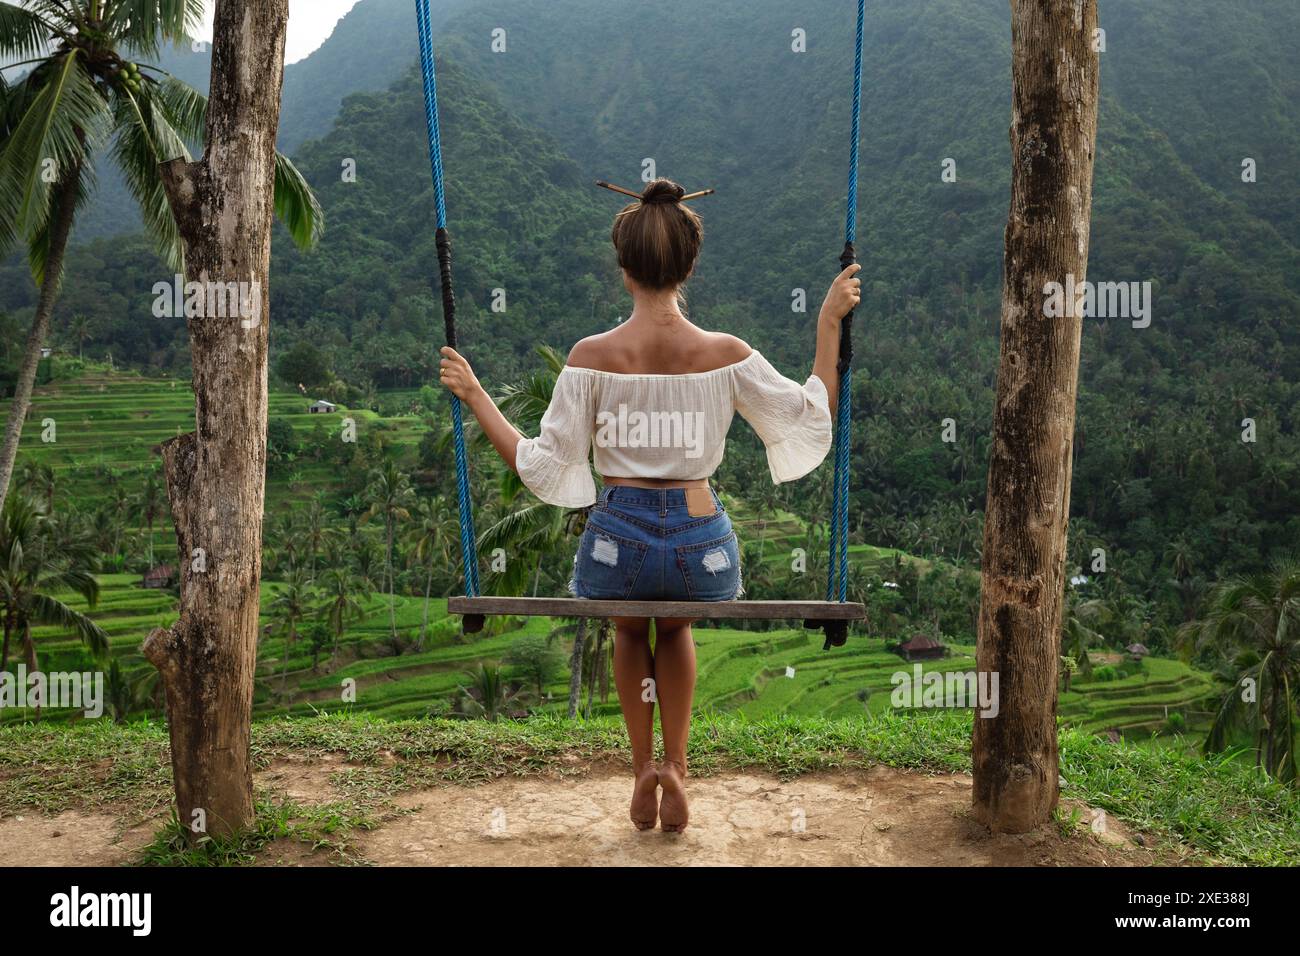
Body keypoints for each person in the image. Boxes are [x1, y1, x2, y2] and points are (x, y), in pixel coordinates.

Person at [437, 177, 861, 832]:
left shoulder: (590, 358)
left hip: (618, 546)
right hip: (703, 548)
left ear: (623, 269)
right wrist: (828, 323)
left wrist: (474, 394)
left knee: (631, 627)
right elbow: (811, 415)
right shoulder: (727, 355)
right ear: (688, 266)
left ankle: (642, 769)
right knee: (679, 625)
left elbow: (544, 463)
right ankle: (678, 769)